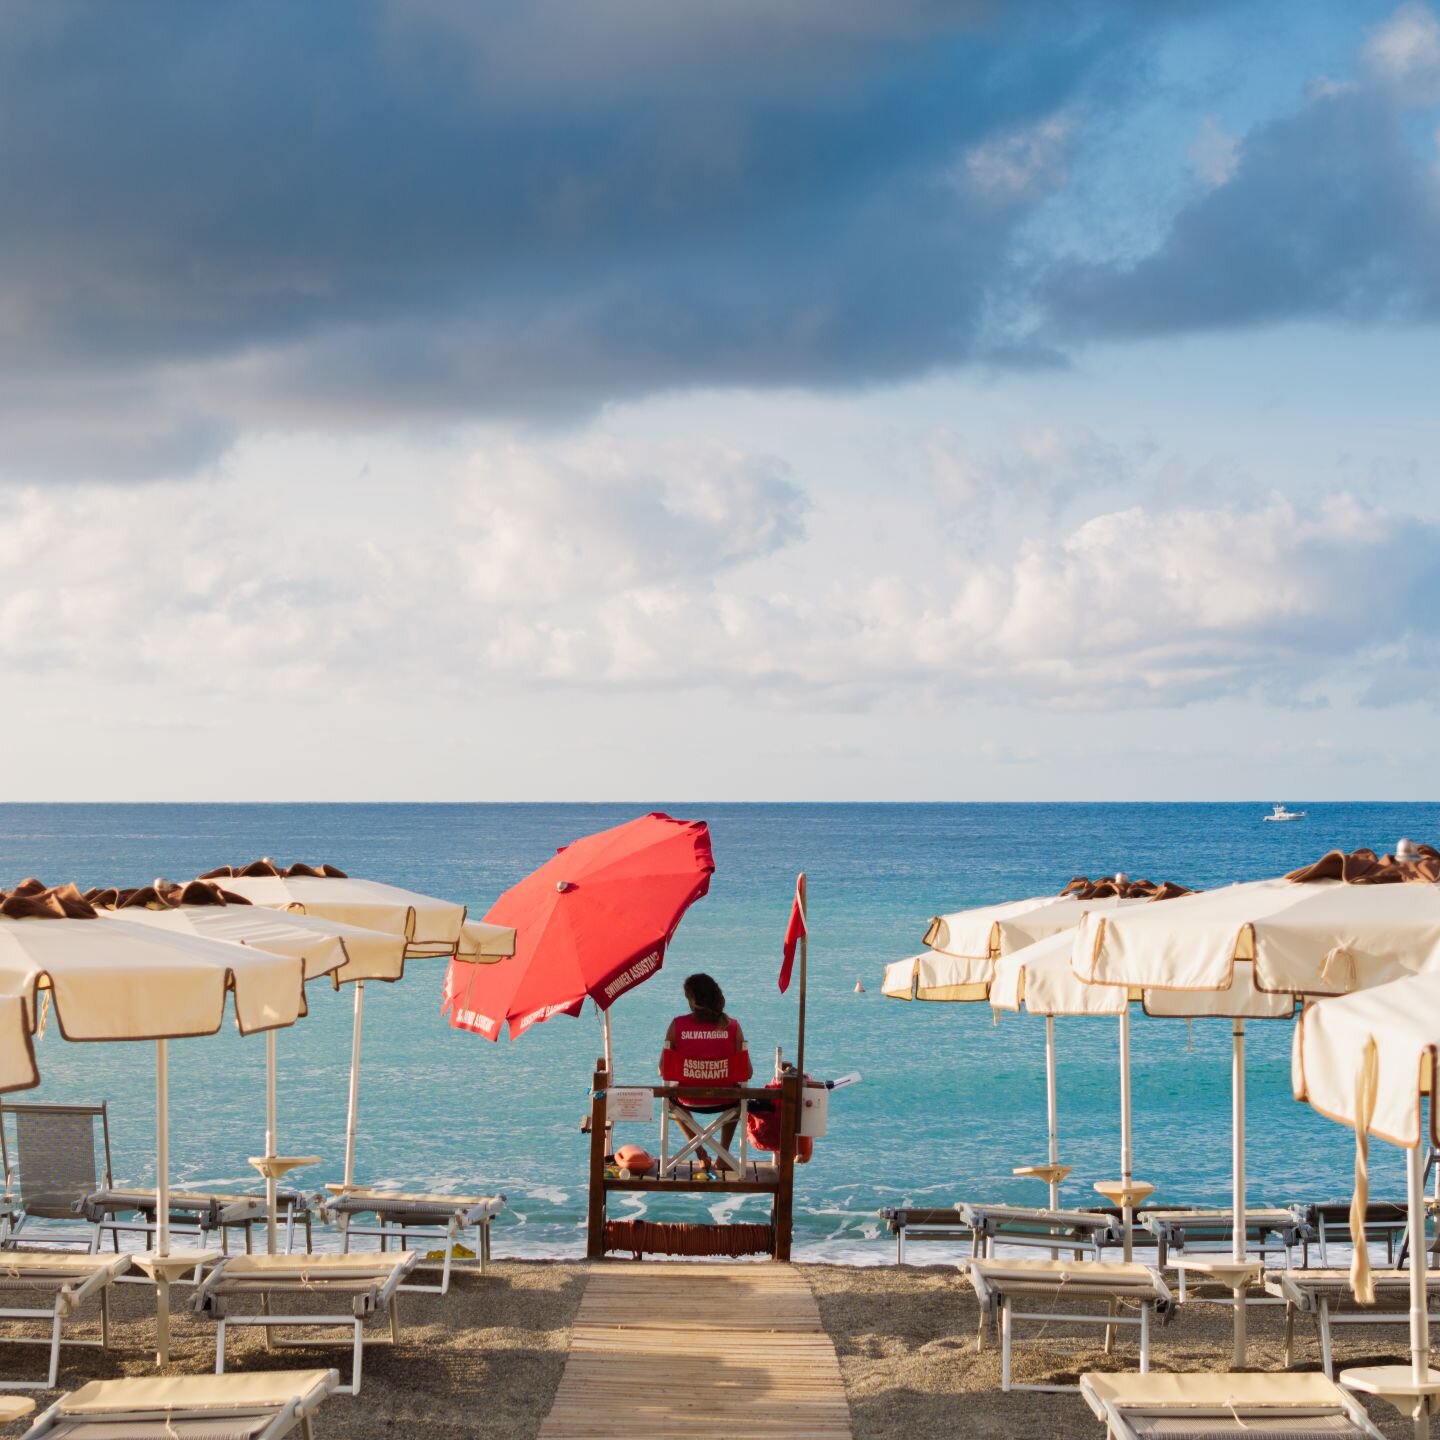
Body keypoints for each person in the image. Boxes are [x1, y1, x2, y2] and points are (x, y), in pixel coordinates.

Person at [658, 973, 752, 1171]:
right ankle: (723, 1155)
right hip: (727, 1099)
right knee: (737, 1091)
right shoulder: (732, 1026)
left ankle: (700, 1153)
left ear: (692, 1001)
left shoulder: (677, 1026)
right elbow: (747, 1072)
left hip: (687, 1100)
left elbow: (662, 1070)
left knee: (671, 1099)